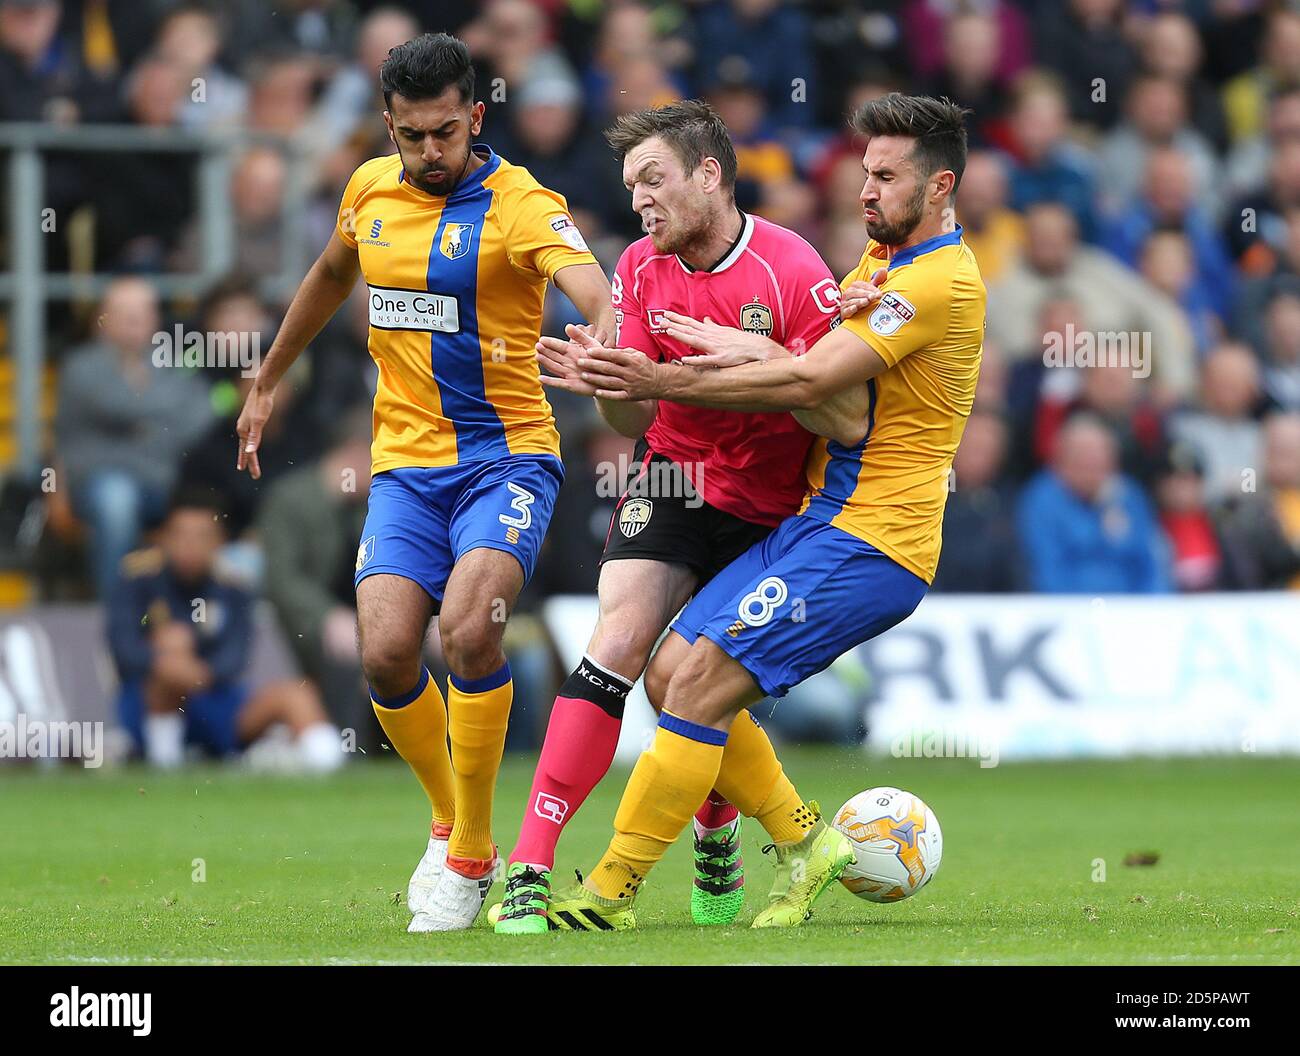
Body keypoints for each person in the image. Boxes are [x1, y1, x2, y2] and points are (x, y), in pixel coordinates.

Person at [537, 93, 984, 929]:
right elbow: (813, 380)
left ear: (941, 186)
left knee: (698, 683)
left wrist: (669, 378)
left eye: (886, 176)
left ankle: (609, 890)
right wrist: (776, 356)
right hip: (820, 519)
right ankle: (808, 842)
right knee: (670, 675)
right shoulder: (874, 272)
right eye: (864, 174)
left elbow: (819, 390)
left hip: (871, 538)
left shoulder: (938, 282)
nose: (865, 191)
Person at [233, 33, 613, 933]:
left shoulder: (522, 203)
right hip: (405, 465)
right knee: (386, 653)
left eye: (445, 133)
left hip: (508, 455)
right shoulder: (368, 189)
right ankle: (447, 822)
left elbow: (591, 285)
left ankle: (475, 852)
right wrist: (268, 377)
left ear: (476, 117)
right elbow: (330, 275)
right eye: (411, 136)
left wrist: (605, 333)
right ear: (389, 126)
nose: (429, 152)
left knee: (470, 629)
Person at [490, 100, 863, 934]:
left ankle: (721, 827)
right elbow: (631, 422)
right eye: (630, 187)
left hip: (772, 506)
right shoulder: (636, 268)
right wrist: (609, 381)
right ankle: (529, 868)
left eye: (653, 179)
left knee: (683, 680)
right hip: (674, 481)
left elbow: (844, 418)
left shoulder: (792, 269)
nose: (640, 202)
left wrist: (771, 364)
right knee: (616, 647)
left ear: (709, 176)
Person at [108, 487, 342, 772]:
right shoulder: (138, 581)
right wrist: (168, 660)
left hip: (216, 702)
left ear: (219, 542)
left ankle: (325, 761)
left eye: (201, 537)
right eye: (181, 535)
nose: (189, 546)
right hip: (148, 704)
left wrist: (195, 673)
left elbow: (235, 657)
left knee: (298, 694)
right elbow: (124, 649)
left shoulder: (232, 586)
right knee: (171, 648)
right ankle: (165, 762)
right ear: (165, 538)